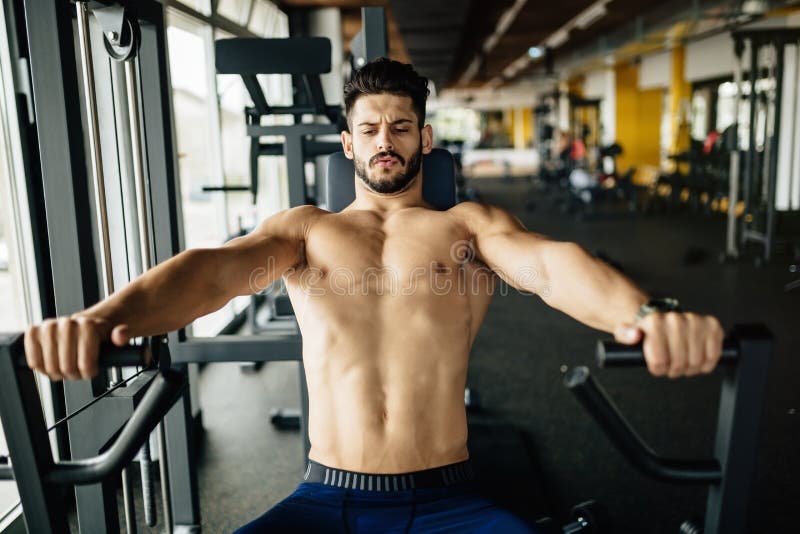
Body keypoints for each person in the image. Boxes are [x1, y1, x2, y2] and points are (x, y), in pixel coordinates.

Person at [24, 58, 724, 533]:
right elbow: (212, 273)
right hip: (324, 501)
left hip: (453, 502)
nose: (384, 141)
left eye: (398, 127)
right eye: (368, 129)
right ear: (347, 145)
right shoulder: (305, 233)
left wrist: (646, 315)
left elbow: (550, 267)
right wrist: (104, 317)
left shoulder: (468, 228)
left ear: (423, 136)